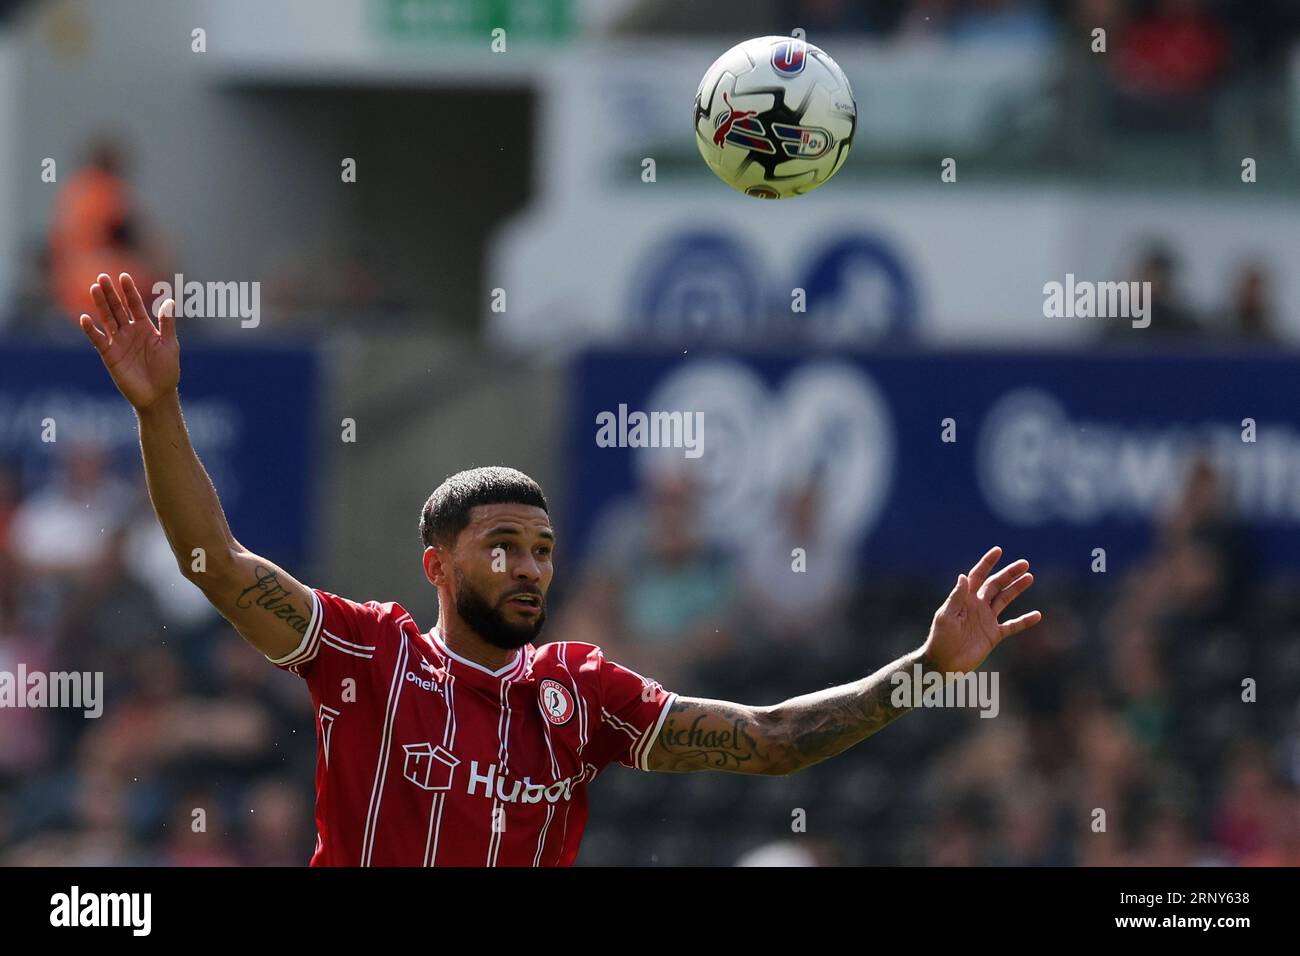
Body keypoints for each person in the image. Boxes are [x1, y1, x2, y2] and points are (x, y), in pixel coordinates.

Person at [78, 272, 1043, 867]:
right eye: (502, 547)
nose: (529, 566)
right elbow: (214, 563)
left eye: (542, 549)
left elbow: (772, 740)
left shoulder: (579, 694)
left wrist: (924, 667)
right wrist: (158, 410)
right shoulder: (369, 656)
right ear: (436, 565)